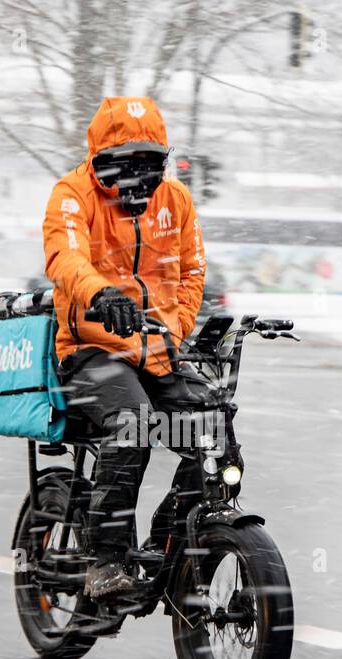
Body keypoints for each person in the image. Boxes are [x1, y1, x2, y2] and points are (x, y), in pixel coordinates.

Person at [42, 96, 208, 600]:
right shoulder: (71, 196)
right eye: (128, 164)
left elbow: (193, 270)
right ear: (101, 163)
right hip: (90, 351)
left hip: (159, 351)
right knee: (133, 424)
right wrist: (101, 296)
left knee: (213, 428)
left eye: (151, 164)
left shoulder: (175, 200)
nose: (141, 179)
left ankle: (170, 541)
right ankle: (106, 562)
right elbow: (65, 260)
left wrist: (174, 326)